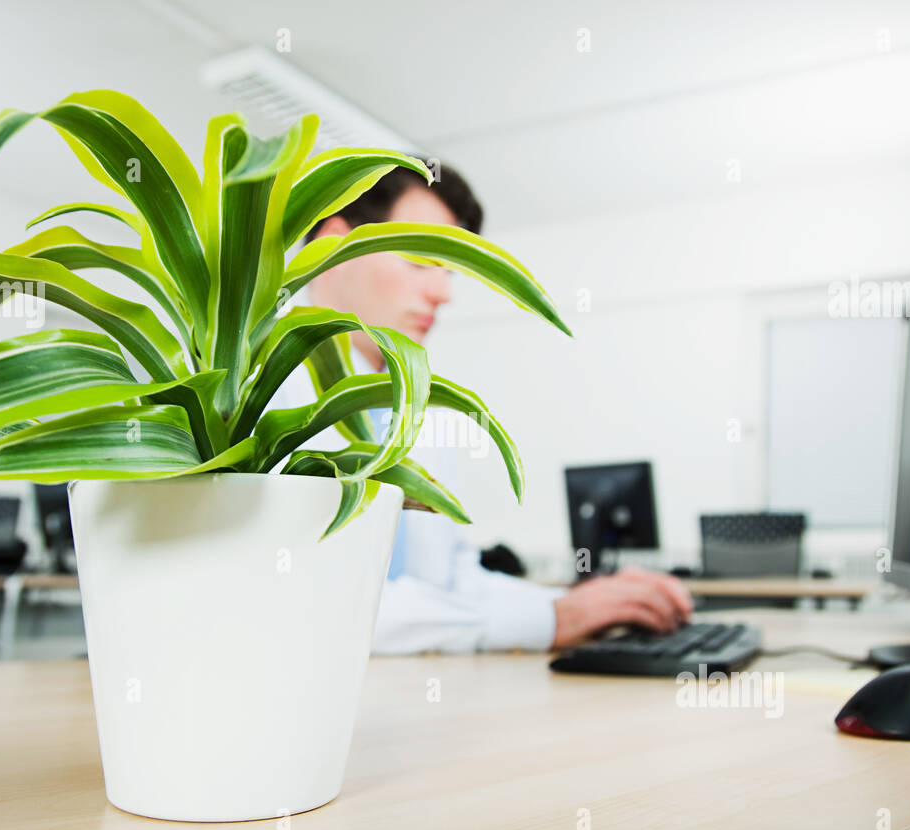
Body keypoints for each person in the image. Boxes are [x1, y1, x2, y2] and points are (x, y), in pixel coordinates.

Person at [268, 165, 693, 654]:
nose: (444, 292)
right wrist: (553, 618)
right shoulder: (260, 394)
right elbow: (308, 604)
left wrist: (579, 604)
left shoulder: (418, 411)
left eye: (450, 270)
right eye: (422, 259)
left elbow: (451, 586)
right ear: (335, 249)